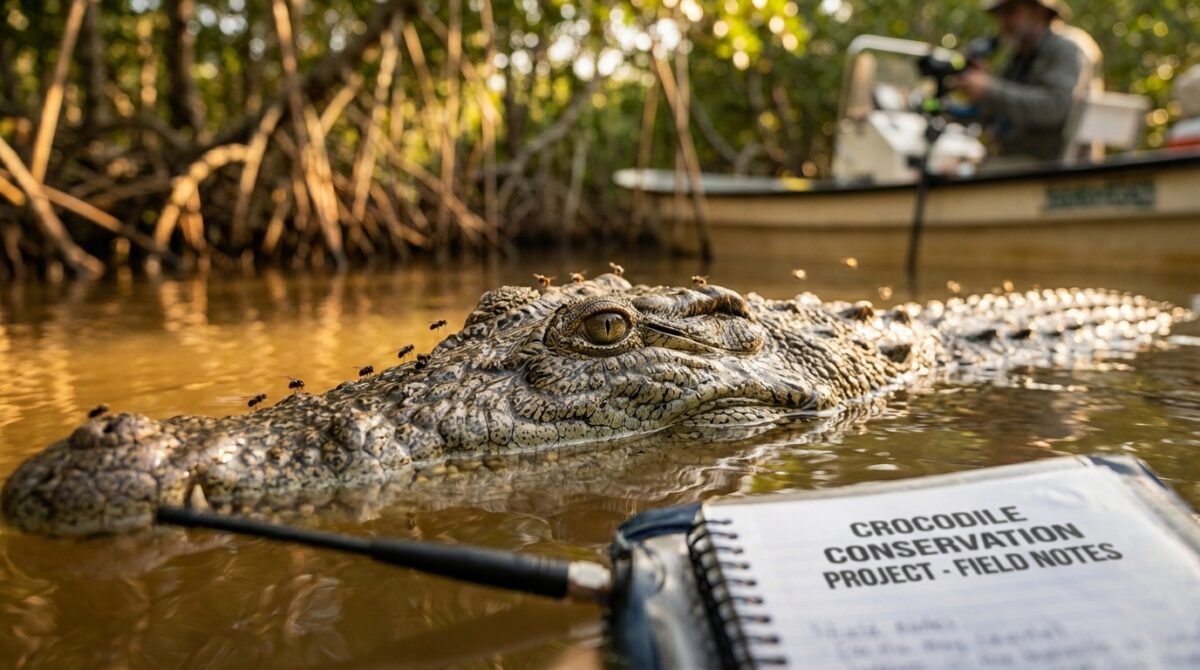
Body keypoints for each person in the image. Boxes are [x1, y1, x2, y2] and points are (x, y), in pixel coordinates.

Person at [951, 0, 1086, 164]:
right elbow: (992, 113)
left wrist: (990, 88)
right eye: (1000, 14)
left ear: (1037, 11)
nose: (1003, 21)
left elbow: (1055, 107)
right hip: (1013, 158)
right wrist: (976, 90)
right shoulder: (1019, 58)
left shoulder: (1066, 49)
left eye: (1010, 11)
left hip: (1047, 164)